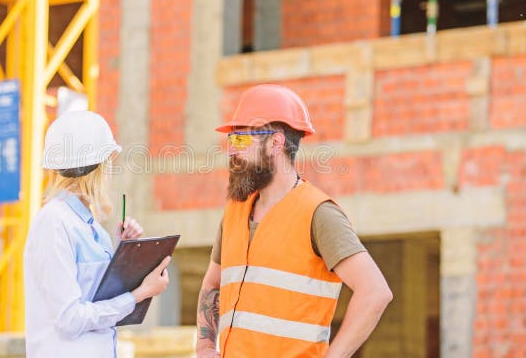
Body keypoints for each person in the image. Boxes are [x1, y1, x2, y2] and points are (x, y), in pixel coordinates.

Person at [195, 84, 393, 358]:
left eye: (240, 140)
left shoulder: (318, 213)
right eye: (231, 141)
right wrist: (204, 346)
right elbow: (212, 284)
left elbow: (375, 292)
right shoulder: (235, 211)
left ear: (275, 142)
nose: (232, 151)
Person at [24, 110, 171, 358]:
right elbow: (69, 320)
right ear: (99, 168)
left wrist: (124, 255)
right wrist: (138, 295)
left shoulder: (92, 229)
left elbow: (96, 300)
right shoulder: (54, 222)